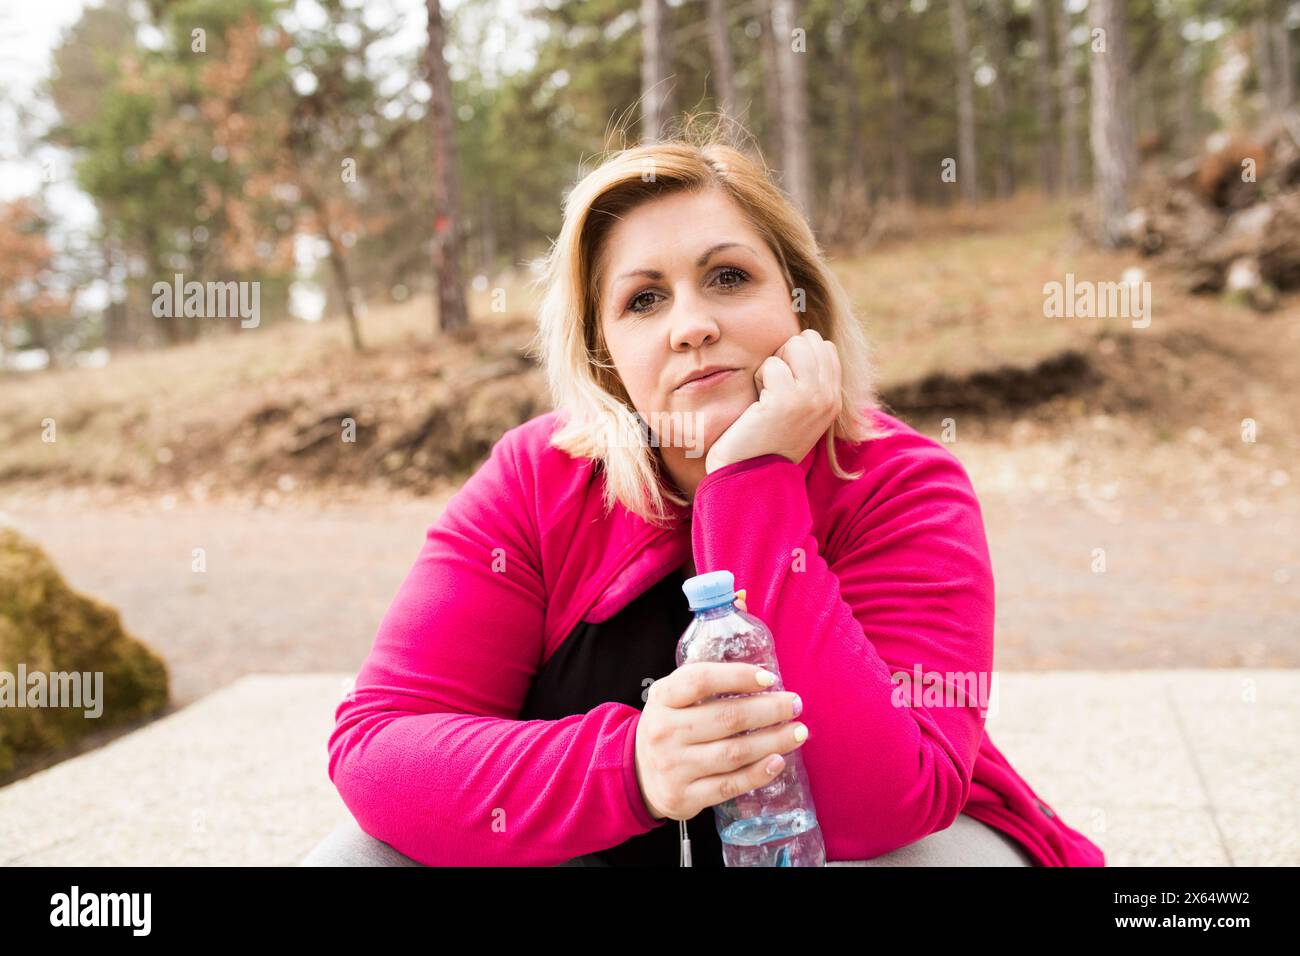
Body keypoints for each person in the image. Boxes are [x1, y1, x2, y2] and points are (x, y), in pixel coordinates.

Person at [304, 119, 1105, 868]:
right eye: (643, 299)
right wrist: (635, 766)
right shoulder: (536, 477)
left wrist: (751, 487)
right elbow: (379, 746)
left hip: (871, 854)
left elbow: (885, 807)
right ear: (605, 354)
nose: (691, 324)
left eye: (728, 277)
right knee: (353, 859)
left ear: (801, 305)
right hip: (600, 846)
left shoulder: (899, 482)